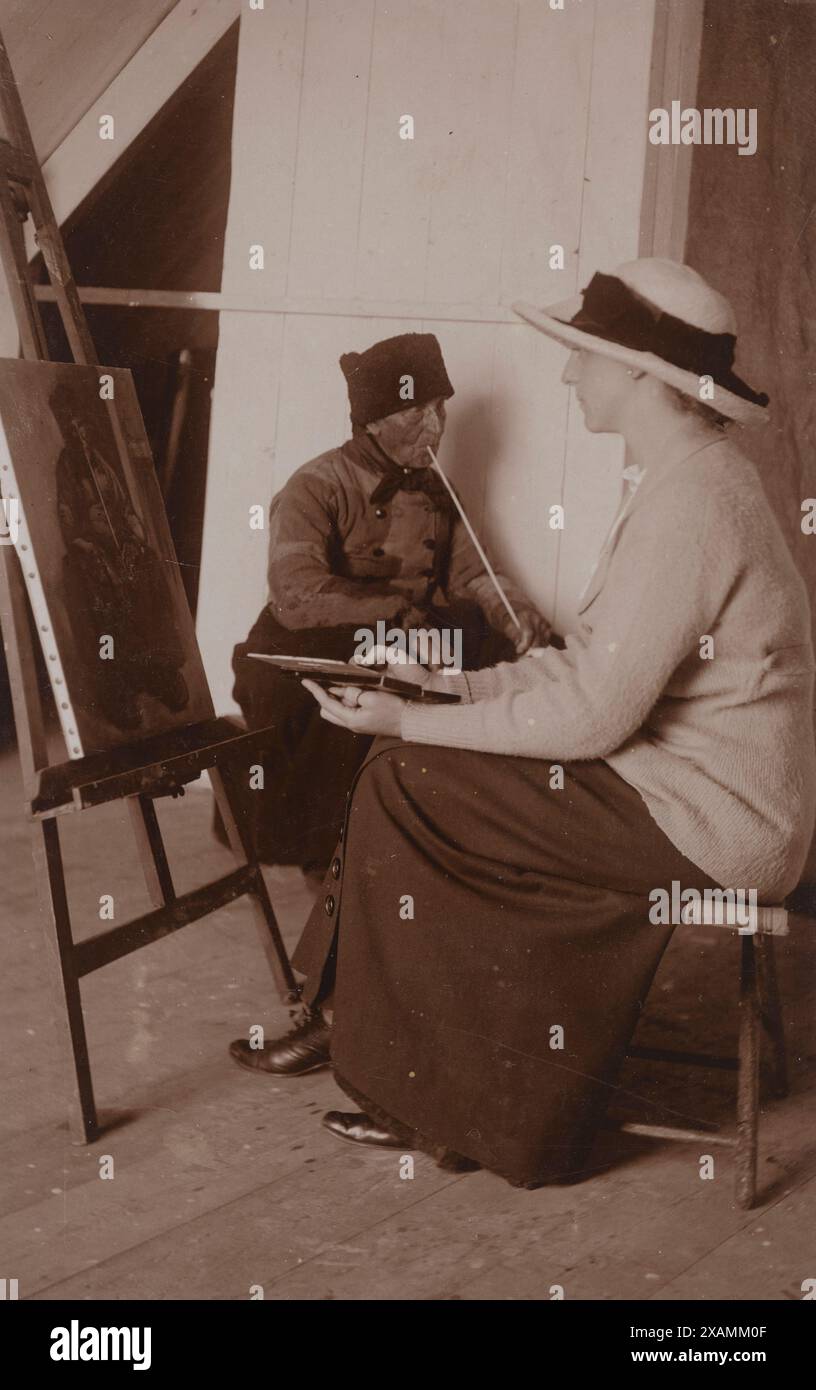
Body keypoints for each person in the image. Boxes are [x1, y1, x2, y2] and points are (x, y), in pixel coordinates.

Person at [233, 258, 816, 1187]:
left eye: (584, 357)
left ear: (639, 375)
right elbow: (590, 670)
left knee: (404, 779)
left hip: (719, 823)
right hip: (685, 791)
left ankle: (456, 1101)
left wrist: (412, 723)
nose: (568, 375)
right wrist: (449, 692)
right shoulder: (686, 479)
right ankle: (463, 1091)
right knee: (407, 767)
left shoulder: (695, 501)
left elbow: (589, 715)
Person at [223, 332, 550, 875]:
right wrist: (395, 614)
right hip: (319, 633)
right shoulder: (315, 486)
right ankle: (328, 853)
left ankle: (454, 842)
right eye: (417, 411)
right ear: (372, 420)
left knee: (520, 661)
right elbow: (296, 593)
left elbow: (473, 573)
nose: (437, 426)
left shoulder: (439, 491)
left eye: (441, 408)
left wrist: (514, 613)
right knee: (343, 693)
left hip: (408, 632)